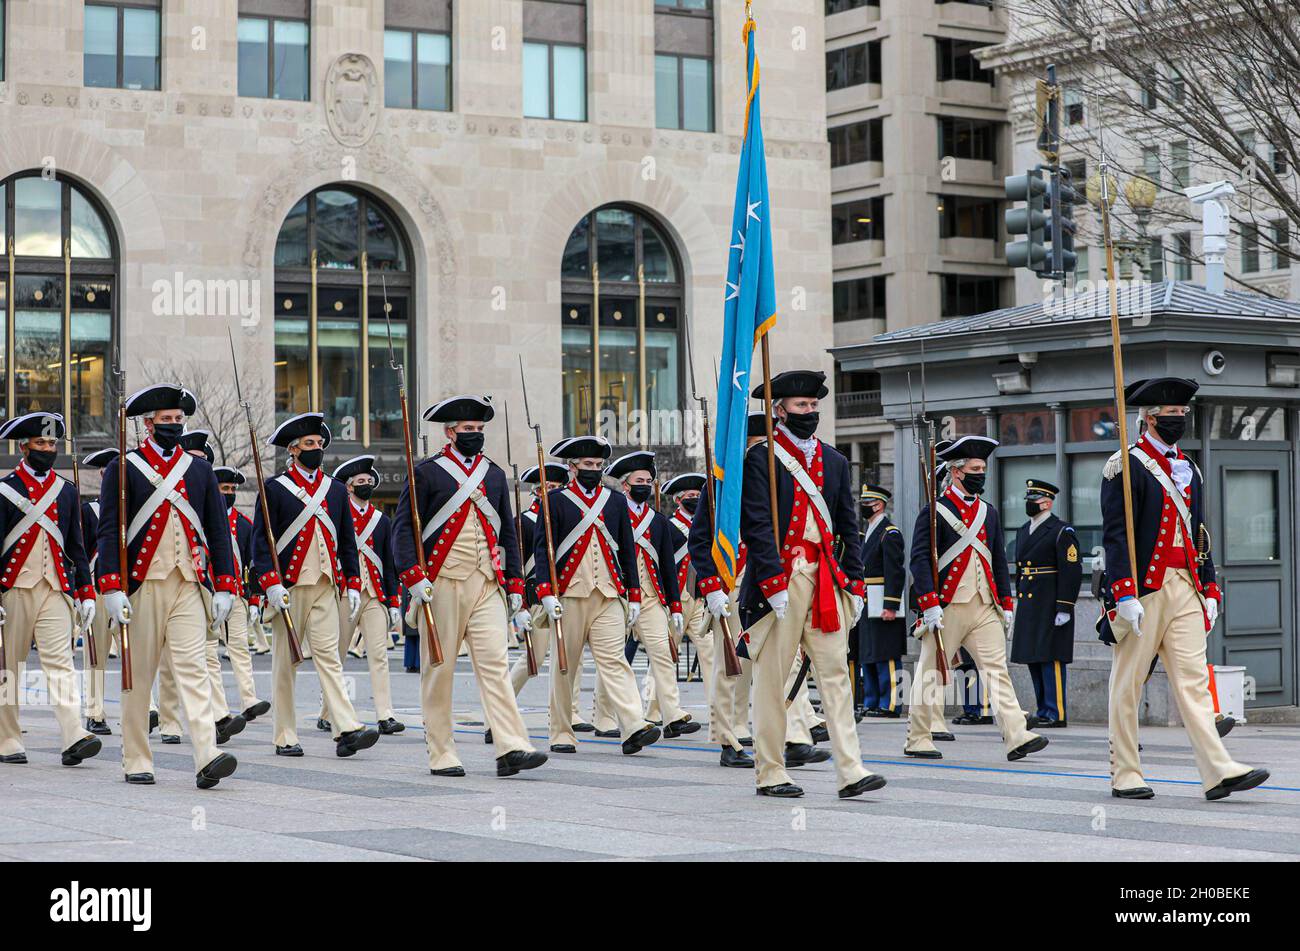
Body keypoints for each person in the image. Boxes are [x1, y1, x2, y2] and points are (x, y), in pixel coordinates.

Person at [1100, 377, 1267, 801]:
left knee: (1194, 682)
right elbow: (1117, 537)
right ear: (1149, 419)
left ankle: (1217, 770)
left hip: (1185, 586)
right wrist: (1123, 594)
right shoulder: (1125, 466)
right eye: (1171, 416)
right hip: (1145, 590)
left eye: (1182, 415)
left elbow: (1199, 533)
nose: (1178, 421)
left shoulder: (1188, 468)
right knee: (1128, 685)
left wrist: (1210, 588)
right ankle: (1125, 772)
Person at [739, 370, 885, 800]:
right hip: (781, 581)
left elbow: (848, 528)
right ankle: (770, 771)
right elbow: (758, 525)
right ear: (779, 410)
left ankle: (851, 769)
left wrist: (855, 584)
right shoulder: (761, 458)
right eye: (801, 406)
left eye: (814, 405)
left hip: (825, 580)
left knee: (836, 675)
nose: (810, 412)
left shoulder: (835, 461)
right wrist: (770, 581)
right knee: (772, 679)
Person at [393, 395, 546, 778]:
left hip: (486, 583)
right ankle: (441, 751)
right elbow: (404, 530)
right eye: (468, 430)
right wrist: (414, 577)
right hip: (441, 582)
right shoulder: (427, 472)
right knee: (439, 669)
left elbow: (507, 533)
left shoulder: (493, 475)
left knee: (494, 665)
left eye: (479, 430)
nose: (475, 435)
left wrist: (513, 585)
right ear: (450, 432)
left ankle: (510, 745)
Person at [96, 385, 239, 788]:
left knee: (193, 670)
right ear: (148, 424)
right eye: (166, 421)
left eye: (179, 420)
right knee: (139, 676)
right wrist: (110, 586)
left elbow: (217, 530)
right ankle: (137, 758)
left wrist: (225, 584)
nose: (174, 426)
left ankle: (207, 754)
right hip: (142, 586)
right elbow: (110, 531)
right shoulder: (125, 468)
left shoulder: (199, 471)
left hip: (189, 583)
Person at [905, 435, 1045, 763]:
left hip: (984, 604)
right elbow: (920, 560)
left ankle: (1016, 734)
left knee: (997, 670)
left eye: (983, 467)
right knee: (932, 672)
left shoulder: (989, 512)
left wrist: (1006, 603)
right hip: (948, 604)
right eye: (974, 468)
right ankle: (918, 736)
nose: (980, 473)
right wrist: (928, 603)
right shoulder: (935, 510)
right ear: (956, 472)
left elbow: (997, 559)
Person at [253, 411, 379, 760]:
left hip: (326, 584)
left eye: (320, 444)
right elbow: (262, 541)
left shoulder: (335, 490)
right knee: (286, 663)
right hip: (289, 587)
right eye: (309, 444)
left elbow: (347, 541)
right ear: (293, 450)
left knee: (330, 658)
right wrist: (269, 583)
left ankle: (346, 728)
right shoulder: (276, 489)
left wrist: (353, 582)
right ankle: (284, 735)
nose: (316, 448)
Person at [532, 434, 660, 757]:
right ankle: (561, 731)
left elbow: (627, 549)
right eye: (587, 464)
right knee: (566, 666)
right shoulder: (556, 501)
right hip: (570, 594)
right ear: (572, 468)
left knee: (615, 661)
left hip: (608, 593)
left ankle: (633, 725)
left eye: (598, 465)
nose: (594, 469)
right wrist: (546, 592)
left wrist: (632, 594)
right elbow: (542, 551)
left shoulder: (614, 501)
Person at [0, 412, 101, 769]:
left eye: (52, 443)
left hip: (55, 587)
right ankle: (7, 735)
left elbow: (77, 547)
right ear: (24, 446)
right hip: (13, 588)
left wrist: (86, 591)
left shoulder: (66, 491)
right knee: (9, 667)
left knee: (60, 663)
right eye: (41, 443)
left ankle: (73, 733)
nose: (47, 449)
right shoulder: (6, 490)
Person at [607, 450, 699, 739]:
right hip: (617, 595)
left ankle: (672, 715)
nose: (645, 485)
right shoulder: (610, 512)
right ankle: (603, 716)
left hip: (650, 598)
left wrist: (673, 604)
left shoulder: (658, 521)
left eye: (648, 480)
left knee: (663, 654)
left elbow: (668, 567)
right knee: (612, 658)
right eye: (639, 480)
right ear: (625, 485)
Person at [500, 462, 587, 740]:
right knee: (531, 660)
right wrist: (520, 607)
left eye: (555, 488)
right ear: (536, 492)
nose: (549, 492)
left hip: (565, 595)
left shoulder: (570, 519)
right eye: (544, 488)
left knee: (572, 658)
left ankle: (568, 712)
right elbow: (511, 565)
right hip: (535, 597)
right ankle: (499, 713)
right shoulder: (523, 522)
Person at [326, 456, 403, 736]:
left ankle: (385, 714)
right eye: (361, 482)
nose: (366, 485)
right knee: (338, 655)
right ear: (348, 487)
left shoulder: (382, 521)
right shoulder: (337, 516)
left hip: (375, 594)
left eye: (369, 482)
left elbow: (389, 562)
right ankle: (329, 711)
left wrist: (393, 601)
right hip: (346, 592)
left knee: (379, 655)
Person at [179, 429, 246, 748]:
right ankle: (162, 718)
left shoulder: (207, 499)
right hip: (153, 584)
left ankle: (217, 717)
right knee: (161, 670)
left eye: (203, 461)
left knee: (203, 658)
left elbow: (219, 541)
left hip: (197, 587)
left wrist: (223, 587)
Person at [1010, 478, 1082, 728]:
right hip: (1030, 602)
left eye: (1035, 500)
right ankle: (1043, 709)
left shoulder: (1062, 531)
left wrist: (1065, 606)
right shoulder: (1022, 530)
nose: (1030, 505)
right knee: (1034, 656)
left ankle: (1056, 712)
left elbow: (1071, 570)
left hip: (1050, 602)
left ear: (1047, 502)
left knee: (1051, 657)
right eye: (1028, 500)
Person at [213, 465, 270, 725]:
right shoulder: (202, 519)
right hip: (206, 595)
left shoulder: (245, 525)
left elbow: (253, 563)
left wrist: (255, 599)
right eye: (225, 488)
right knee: (207, 652)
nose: (230, 493)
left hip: (236, 595)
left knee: (239, 648)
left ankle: (249, 700)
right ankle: (217, 708)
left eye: (233, 489)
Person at [856, 485, 906, 719]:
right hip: (868, 599)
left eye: (867, 504)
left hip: (882, 599)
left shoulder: (890, 533)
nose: (863, 508)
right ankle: (872, 700)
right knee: (870, 653)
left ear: (879, 505)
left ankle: (891, 703)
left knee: (886, 654)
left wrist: (891, 605)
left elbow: (895, 572)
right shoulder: (868, 532)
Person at [80, 447, 118, 736]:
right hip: (98, 588)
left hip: (132, 590)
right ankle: (95, 712)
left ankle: (150, 710)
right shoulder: (89, 510)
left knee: (140, 655)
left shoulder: (137, 507)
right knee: (96, 656)